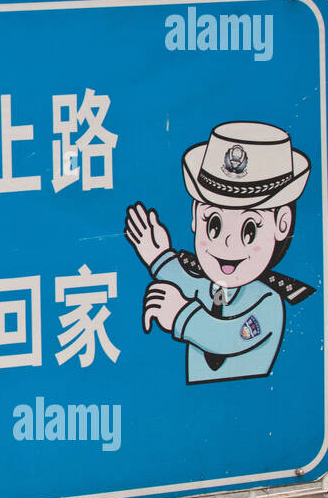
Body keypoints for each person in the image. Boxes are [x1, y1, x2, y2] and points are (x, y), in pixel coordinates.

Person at [125, 121, 313, 385]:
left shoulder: (268, 302)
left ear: (282, 223)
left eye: (249, 229)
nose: (226, 243)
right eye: (213, 224)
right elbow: (189, 284)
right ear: (194, 216)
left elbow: (228, 337)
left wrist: (180, 316)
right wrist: (159, 257)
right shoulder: (210, 289)